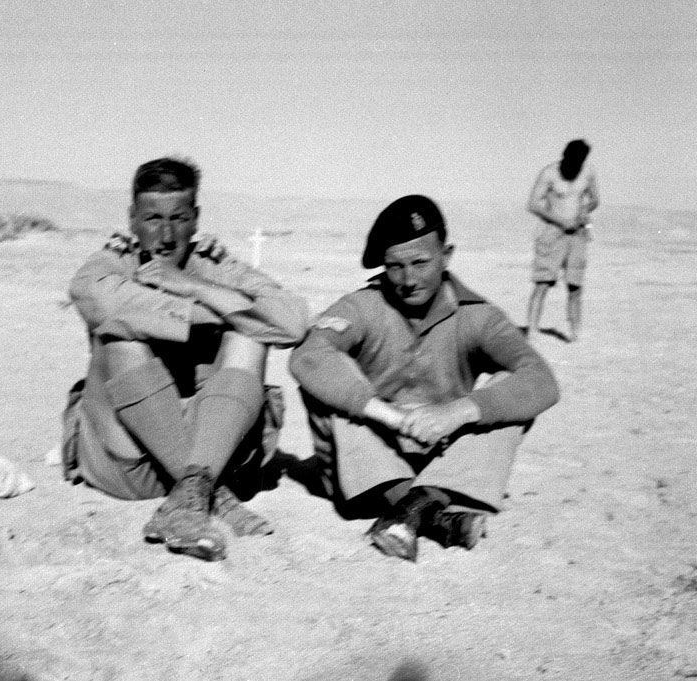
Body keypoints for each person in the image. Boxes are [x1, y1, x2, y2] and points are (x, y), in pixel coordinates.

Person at [61, 157, 309, 561]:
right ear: (132, 219)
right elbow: (98, 300)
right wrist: (223, 311)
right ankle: (212, 497)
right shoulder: (113, 263)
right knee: (120, 336)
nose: (165, 234)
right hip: (130, 465)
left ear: (195, 219)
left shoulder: (212, 265)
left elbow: (293, 322)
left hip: (218, 457)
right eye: (152, 218)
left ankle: (194, 492)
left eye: (178, 218)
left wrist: (193, 284)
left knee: (250, 340)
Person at [289, 194, 560, 562]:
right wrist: (389, 416)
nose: (408, 279)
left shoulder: (478, 316)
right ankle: (432, 512)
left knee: (508, 393)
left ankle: (414, 508)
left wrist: (459, 411)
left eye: (420, 263)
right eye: (395, 267)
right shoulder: (363, 306)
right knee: (333, 384)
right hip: (365, 467)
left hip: (440, 455)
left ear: (446, 256)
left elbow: (542, 380)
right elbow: (308, 356)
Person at [525, 139, 600, 342]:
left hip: (577, 235)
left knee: (575, 287)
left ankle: (575, 335)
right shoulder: (549, 173)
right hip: (552, 234)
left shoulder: (588, 172)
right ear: (565, 156)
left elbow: (595, 199)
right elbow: (533, 204)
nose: (575, 166)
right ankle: (532, 332)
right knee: (542, 284)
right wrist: (560, 221)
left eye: (580, 162)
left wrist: (585, 209)